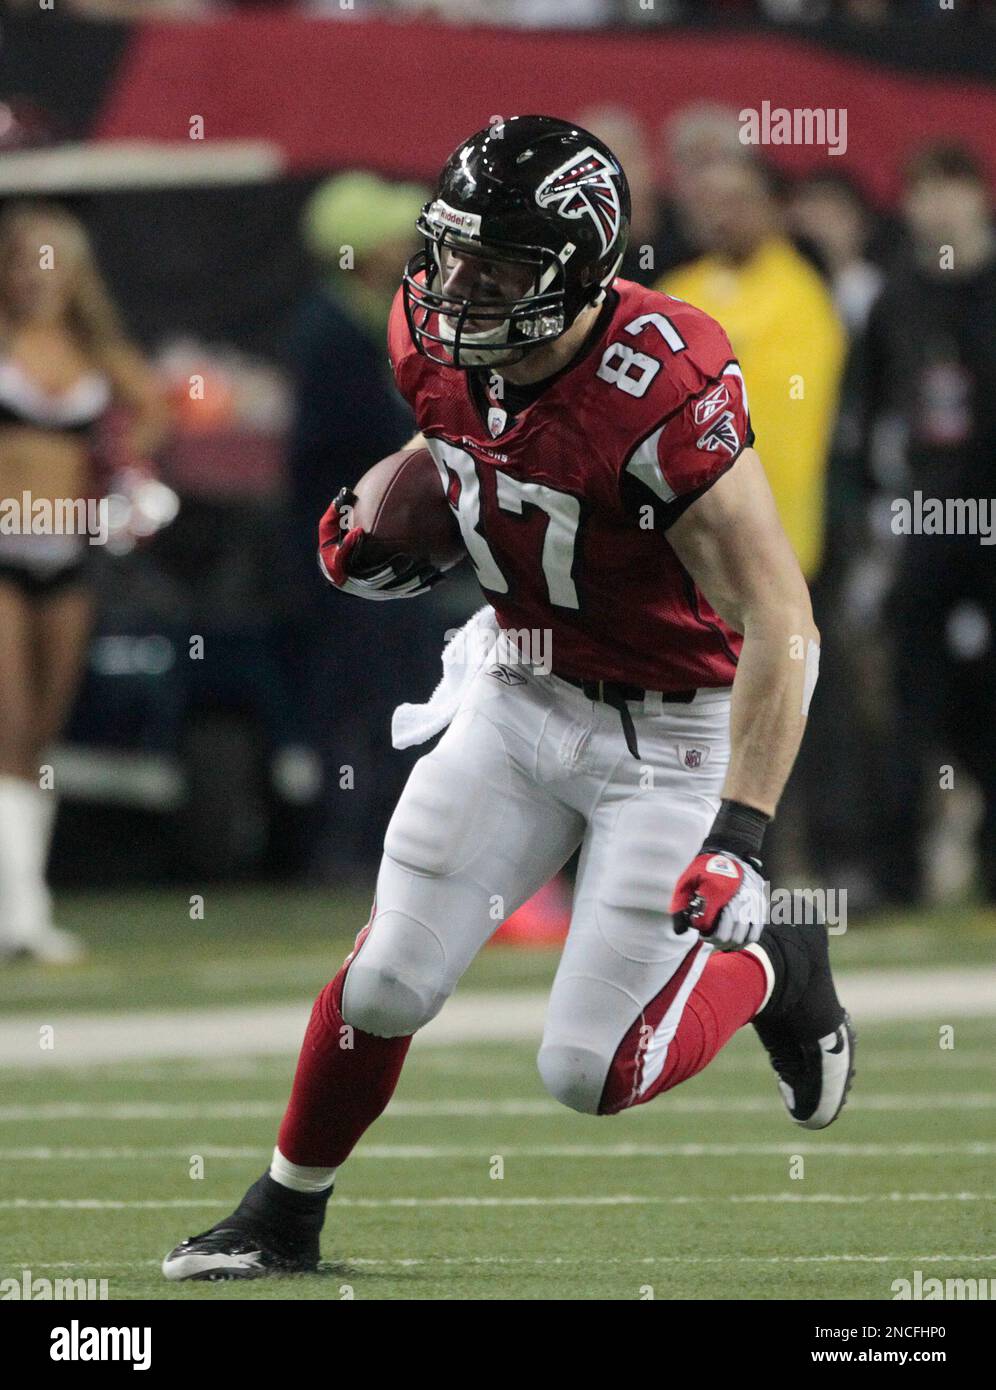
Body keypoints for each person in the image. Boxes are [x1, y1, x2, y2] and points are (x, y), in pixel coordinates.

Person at [163, 116, 854, 1281]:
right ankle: (283, 1212)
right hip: (520, 687)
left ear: (582, 272)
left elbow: (782, 615)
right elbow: (472, 455)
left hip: (670, 729)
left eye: (499, 273)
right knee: (385, 976)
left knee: (589, 1070)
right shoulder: (425, 335)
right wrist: (400, 520)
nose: (457, 292)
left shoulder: (661, 380)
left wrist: (743, 833)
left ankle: (776, 958)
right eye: (453, 256)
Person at [0, 202, 167, 964]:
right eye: (23, 259)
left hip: (66, 554)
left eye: (51, 260)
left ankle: (26, 906)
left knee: (41, 737)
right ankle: (20, 914)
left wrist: (127, 476)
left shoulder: (95, 352)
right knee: (6, 725)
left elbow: (153, 409)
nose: (37, 276)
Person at [863, 143, 996, 905]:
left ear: (977, 196)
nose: (936, 209)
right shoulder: (896, 297)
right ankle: (897, 875)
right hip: (926, 517)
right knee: (909, 701)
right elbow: (872, 414)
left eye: (950, 190)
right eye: (923, 193)